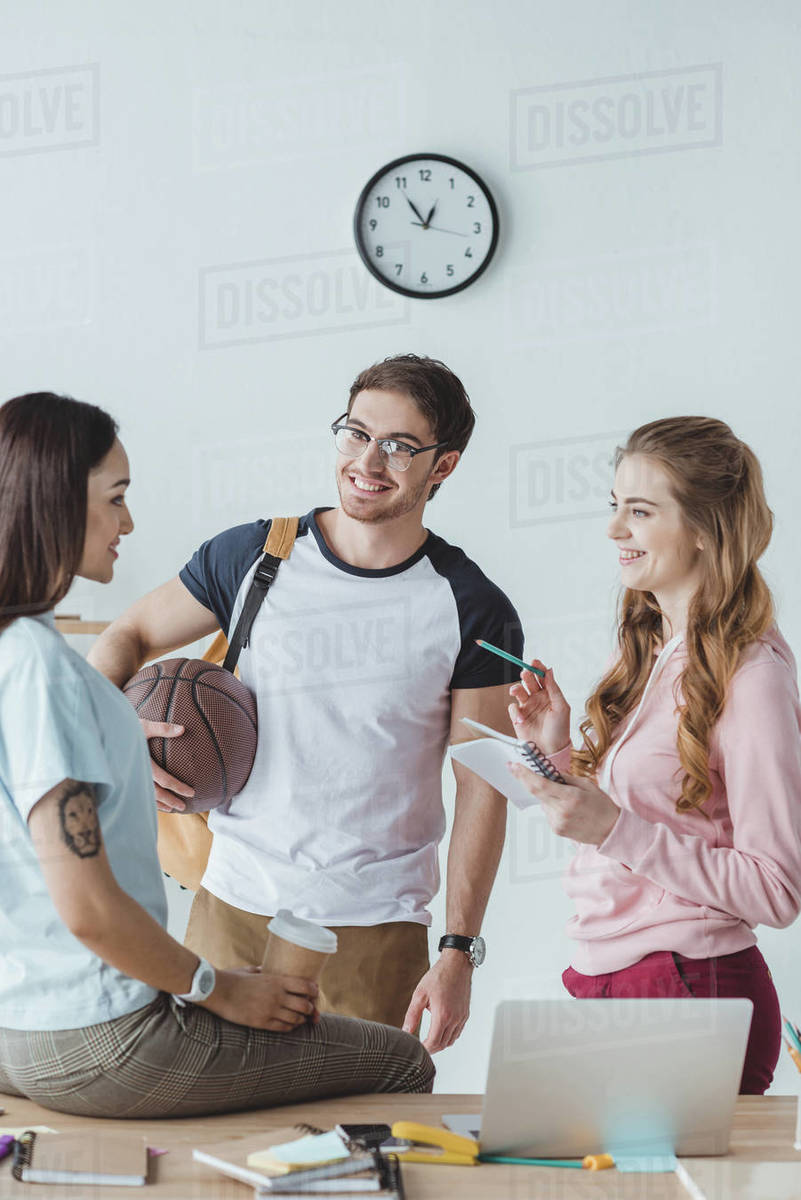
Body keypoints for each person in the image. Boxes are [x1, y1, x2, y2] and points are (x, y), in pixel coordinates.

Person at [0, 391, 434, 1118]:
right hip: (98, 1034)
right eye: (116, 499)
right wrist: (213, 986)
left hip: (19, 1022)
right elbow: (89, 911)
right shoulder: (46, 671)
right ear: (57, 503)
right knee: (401, 1061)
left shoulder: (14, 653)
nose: (128, 523)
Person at [89, 355, 523, 1052]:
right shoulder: (255, 556)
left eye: (399, 446)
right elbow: (129, 633)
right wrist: (115, 734)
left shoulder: (472, 606)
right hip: (231, 907)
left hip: (374, 929)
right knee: (214, 1115)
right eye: (356, 433)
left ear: (442, 466)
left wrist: (458, 951)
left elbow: (481, 786)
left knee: (364, 1119)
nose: (367, 462)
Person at [508, 416, 801, 1095]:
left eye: (639, 511)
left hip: (687, 984)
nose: (614, 529)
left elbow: (777, 889)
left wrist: (614, 829)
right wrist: (557, 751)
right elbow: (643, 819)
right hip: (609, 976)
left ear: (703, 528)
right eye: (615, 506)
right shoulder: (651, 652)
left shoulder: (751, 676)